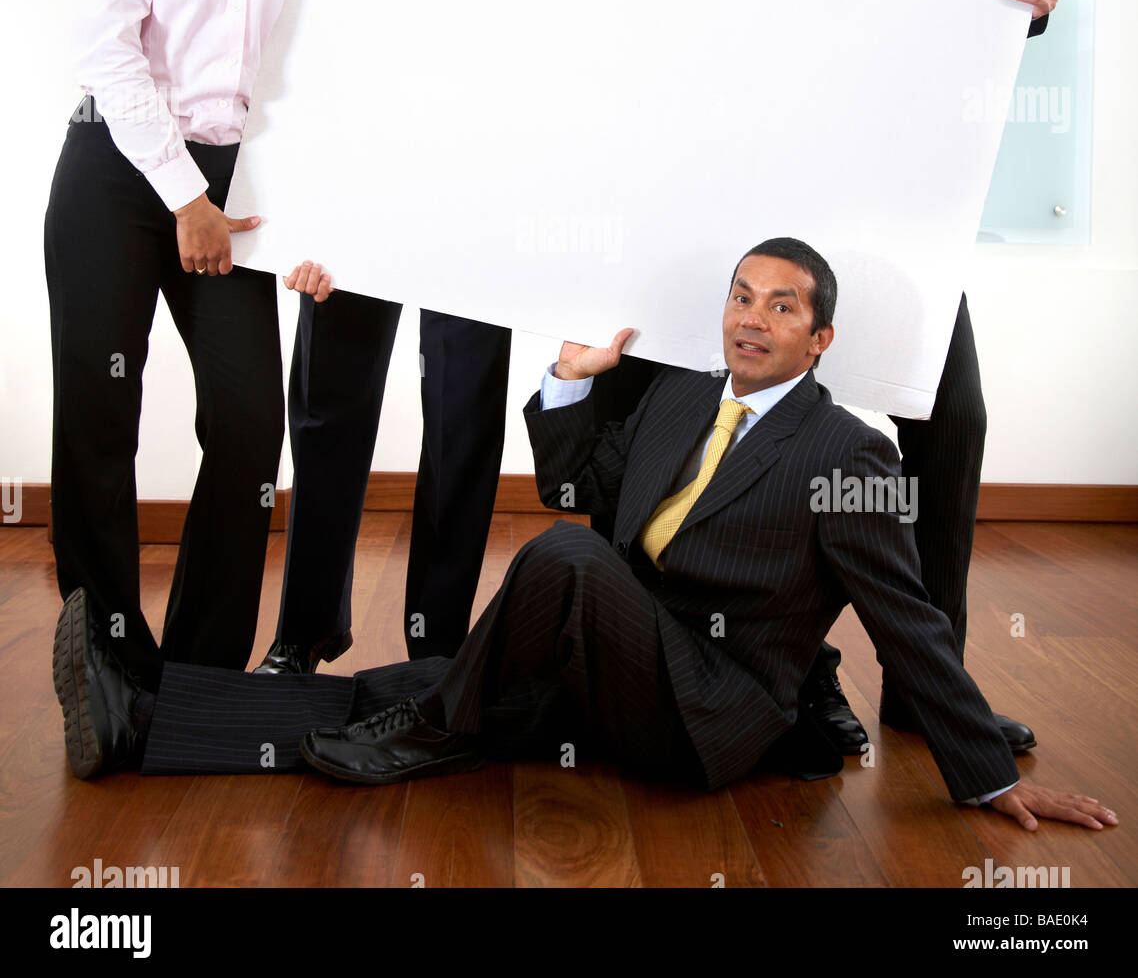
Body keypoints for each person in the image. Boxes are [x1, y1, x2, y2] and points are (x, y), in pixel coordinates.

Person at [53, 240, 1117, 835]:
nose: (751, 318)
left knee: (553, 568)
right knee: (397, 682)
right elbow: (572, 488)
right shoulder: (674, 401)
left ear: (819, 337)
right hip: (614, 659)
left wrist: (983, 772)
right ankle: (141, 716)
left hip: (714, 711)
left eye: (782, 307)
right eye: (741, 296)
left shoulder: (849, 453)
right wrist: (569, 383)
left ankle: (433, 728)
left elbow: (910, 619)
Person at [735, 0, 1066, 758]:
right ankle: (765, 679)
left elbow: (944, 31)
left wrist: (1019, 5)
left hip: (909, 221)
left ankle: (931, 688)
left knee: (951, 422)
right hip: (798, 229)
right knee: (790, 452)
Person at [254, 0, 530, 674]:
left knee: (462, 421)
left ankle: (434, 646)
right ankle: (304, 629)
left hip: (478, 188)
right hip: (361, 180)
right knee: (328, 408)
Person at [45, 0, 295, 716]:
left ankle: (194, 673)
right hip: (117, 169)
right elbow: (109, 52)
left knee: (246, 423)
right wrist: (182, 193)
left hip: (232, 184)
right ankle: (106, 658)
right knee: (100, 416)